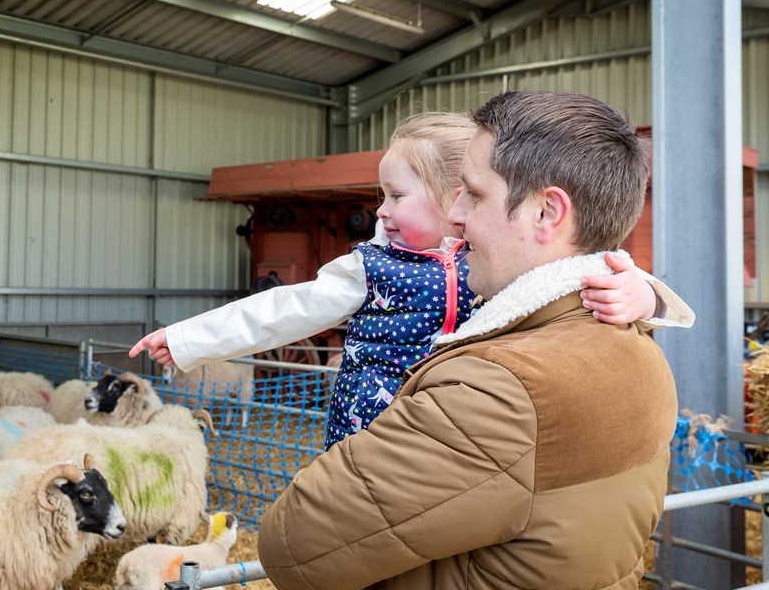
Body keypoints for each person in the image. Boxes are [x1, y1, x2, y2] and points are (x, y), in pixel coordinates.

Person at [256, 90, 683, 590]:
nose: (453, 217)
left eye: (475, 195)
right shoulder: (639, 351)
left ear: (547, 212)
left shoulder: (497, 391)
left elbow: (291, 546)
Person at [129, 112, 691, 453]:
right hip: (372, 430)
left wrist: (643, 295)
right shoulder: (372, 265)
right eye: (383, 196)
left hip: (460, 427)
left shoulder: (493, 258)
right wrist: (188, 339)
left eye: (396, 195)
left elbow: (578, 271)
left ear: (456, 196)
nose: (382, 209)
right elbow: (285, 309)